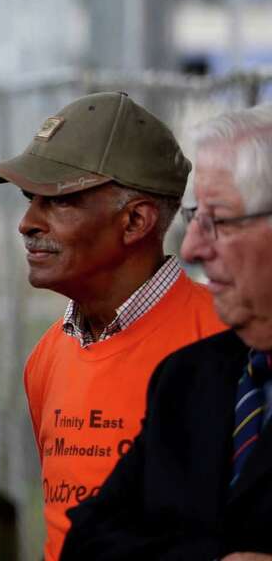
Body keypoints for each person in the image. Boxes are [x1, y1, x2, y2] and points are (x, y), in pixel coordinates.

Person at [0, 91, 224, 561]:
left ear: (135, 222)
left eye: (58, 201)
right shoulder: (47, 358)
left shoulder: (230, 341)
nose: (27, 222)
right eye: (31, 199)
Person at [62, 105, 272, 559]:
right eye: (195, 219)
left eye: (218, 220)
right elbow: (86, 544)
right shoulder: (189, 376)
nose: (193, 247)